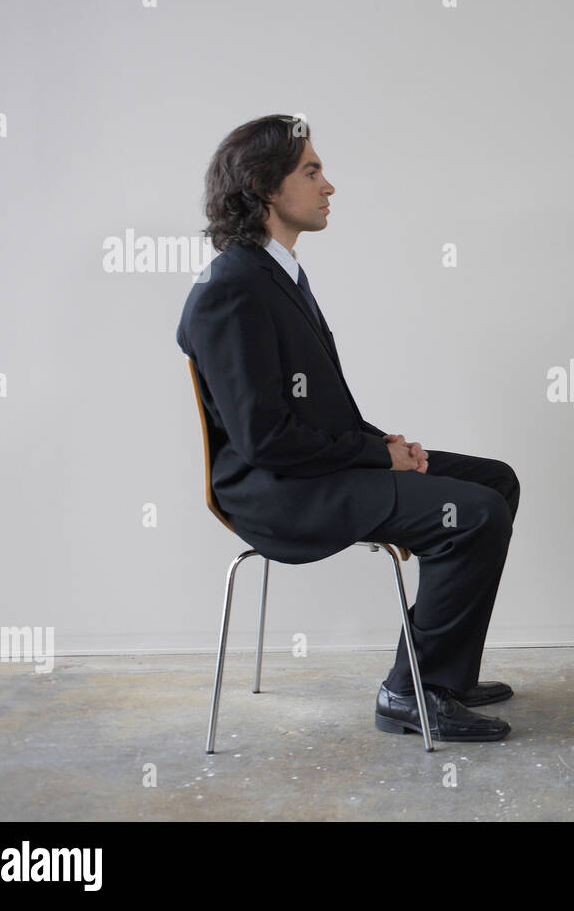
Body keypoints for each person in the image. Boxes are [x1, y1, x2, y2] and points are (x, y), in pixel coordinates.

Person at [176, 115, 519, 742]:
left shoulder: (278, 274)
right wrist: (375, 457)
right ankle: (411, 692)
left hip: (313, 469)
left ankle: (443, 673)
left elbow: (318, 410)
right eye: (311, 172)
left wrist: (383, 446)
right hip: (278, 491)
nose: (328, 186)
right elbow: (264, 440)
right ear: (266, 187)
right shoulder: (233, 289)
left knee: (495, 482)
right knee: (475, 514)